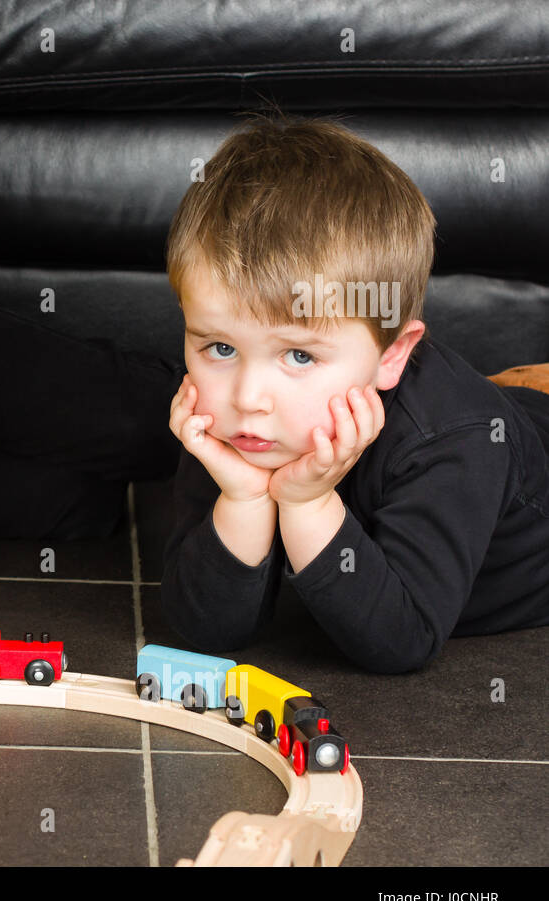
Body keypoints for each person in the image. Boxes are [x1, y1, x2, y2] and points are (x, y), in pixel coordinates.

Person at [161, 113, 549, 673]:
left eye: (298, 355)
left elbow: (401, 639)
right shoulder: (230, 412)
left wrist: (307, 502)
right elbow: (209, 628)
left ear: (392, 354)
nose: (248, 397)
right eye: (219, 347)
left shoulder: (455, 439)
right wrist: (242, 499)